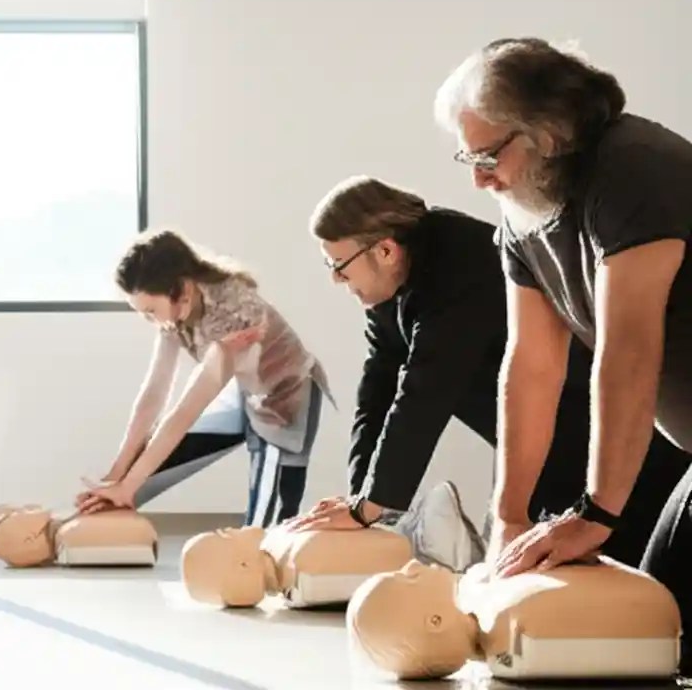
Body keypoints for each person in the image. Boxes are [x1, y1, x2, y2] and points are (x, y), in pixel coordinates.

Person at [432, 37, 692, 671]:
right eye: (465, 156)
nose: (476, 176)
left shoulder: (634, 168)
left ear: (546, 134)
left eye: (487, 154)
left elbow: (629, 351)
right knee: (661, 622)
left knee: (666, 623)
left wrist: (595, 513)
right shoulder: (523, 217)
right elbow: (530, 368)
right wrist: (509, 519)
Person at [286, 175, 687, 569]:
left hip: (606, 437)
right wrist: (361, 499)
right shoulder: (387, 285)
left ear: (386, 251)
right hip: (538, 447)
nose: (335, 278)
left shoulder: (457, 261)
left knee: (639, 578)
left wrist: (368, 508)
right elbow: (377, 392)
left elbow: (424, 394)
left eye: (338, 265)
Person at [77, 229, 332, 527]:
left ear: (182, 291)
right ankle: (116, 501)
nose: (151, 320)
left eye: (151, 310)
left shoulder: (234, 314)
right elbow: (153, 395)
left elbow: (187, 410)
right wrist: (116, 475)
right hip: (243, 392)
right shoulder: (175, 310)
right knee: (139, 469)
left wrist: (128, 484)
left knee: (262, 535)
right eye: (142, 313)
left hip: (285, 401)